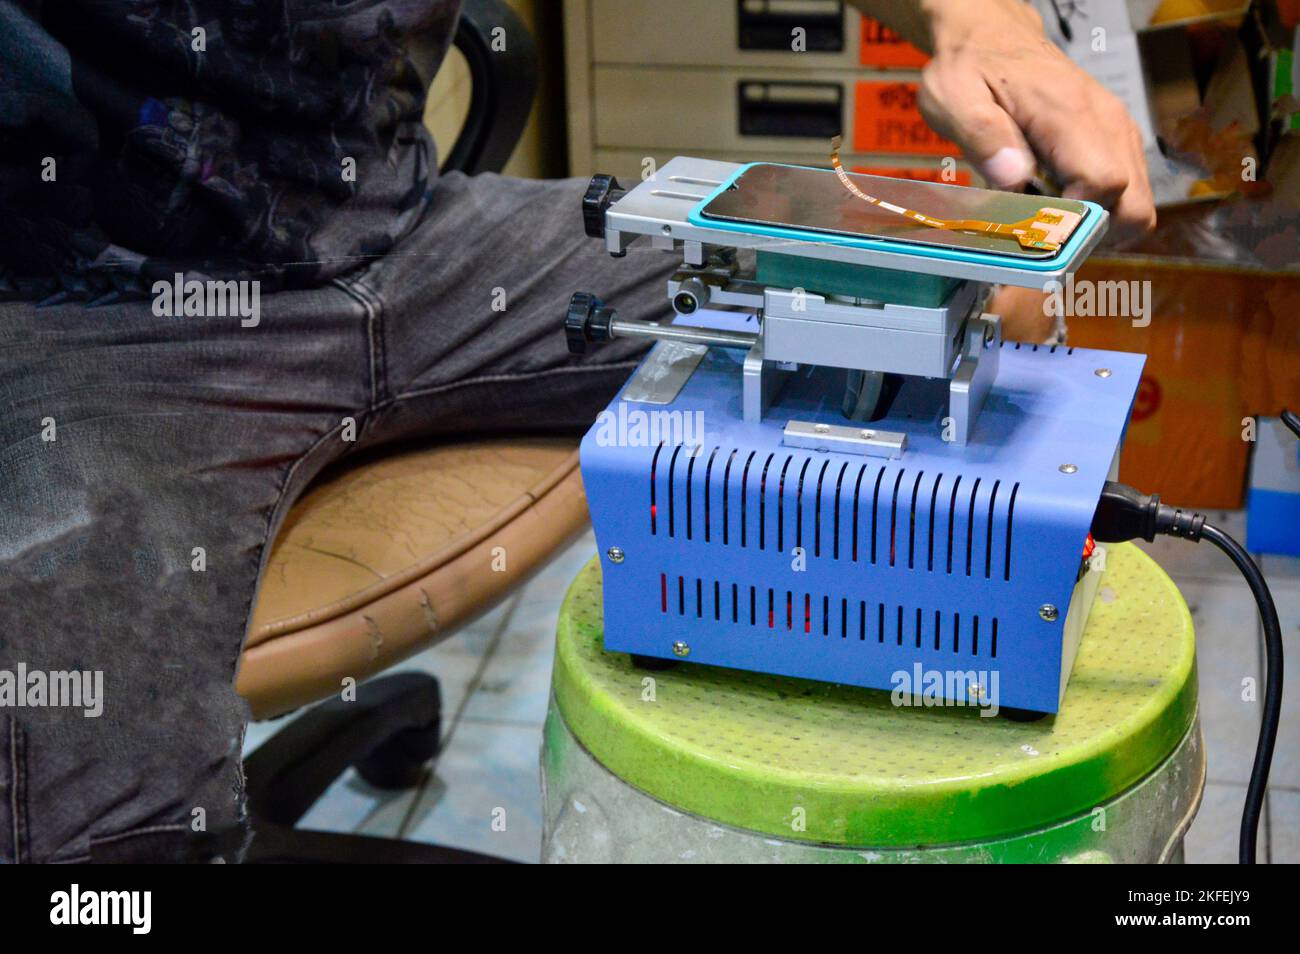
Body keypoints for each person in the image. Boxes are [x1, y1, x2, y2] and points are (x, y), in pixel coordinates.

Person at [0, 0, 1155, 863]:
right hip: (94, 300)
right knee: (99, 814)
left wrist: (976, 21)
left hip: (412, 239)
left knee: (936, 289)